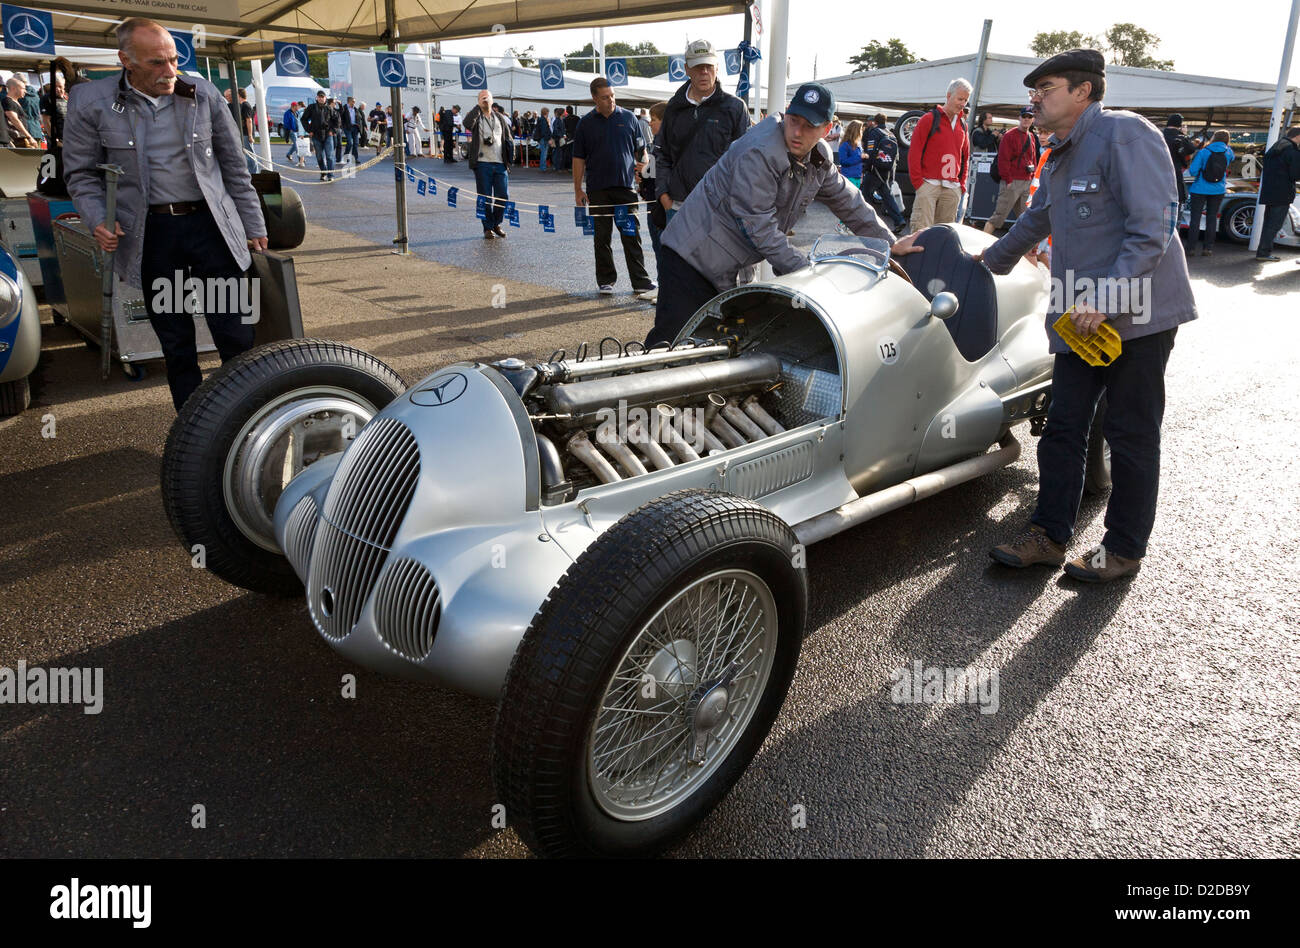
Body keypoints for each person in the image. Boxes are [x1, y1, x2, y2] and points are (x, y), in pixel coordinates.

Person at [978, 49, 1196, 582]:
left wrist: (1107, 297)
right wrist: (976, 263)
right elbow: (1035, 223)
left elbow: (1154, 228)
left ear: (1083, 91)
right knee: (1063, 427)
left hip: (1135, 315)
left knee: (1131, 435)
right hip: (1079, 318)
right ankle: (1049, 535)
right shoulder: (1058, 153)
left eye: (1045, 87)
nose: (1034, 98)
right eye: (1033, 90)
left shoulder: (1126, 134)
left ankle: (1122, 550)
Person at [64, 18, 267, 412]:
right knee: (176, 342)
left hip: (210, 229)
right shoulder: (91, 103)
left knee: (236, 334)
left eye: (173, 60)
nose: (169, 72)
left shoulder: (202, 94)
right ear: (126, 60)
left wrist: (253, 223)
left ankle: (246, 418)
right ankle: (195, 430)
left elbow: (234, 167)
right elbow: (80, 174)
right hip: (152, 234)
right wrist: (97, 219)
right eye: (157, 63)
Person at [648, 82, 921, 347]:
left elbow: (849, 201)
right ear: (786, 113)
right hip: (690, 254)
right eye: (794, 120)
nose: (797, 132)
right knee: (671, 343)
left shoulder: (819, 158)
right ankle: (630, 389)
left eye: (809, 126)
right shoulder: (758, 152)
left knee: (717, 344)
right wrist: (810, 276)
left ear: (827, 129)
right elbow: (760, 228)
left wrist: (890, 242)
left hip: (725, 261)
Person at [573, 77, 656, 296]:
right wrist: (578, 190)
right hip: (597, 189)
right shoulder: (585, 123)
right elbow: (578, 159)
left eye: (612, 96)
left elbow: (642, 152)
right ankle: (606, 281)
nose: (610, 100)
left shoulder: (629, 118)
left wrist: (644, 165)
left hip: (625, 187)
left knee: (631, 235)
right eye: (605, 97)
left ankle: (640, 281)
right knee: (601, 237)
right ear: (594, 98)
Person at [656, 39, 749, 221]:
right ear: (687, 69)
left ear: (717, 67)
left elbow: (745, 159)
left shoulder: (735, 107)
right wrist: (664, 196)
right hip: (678, 207)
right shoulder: (674, 107)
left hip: (720, 208)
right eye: (698, 67)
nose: (704, 72)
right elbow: (662, 154)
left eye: (708, 66)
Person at [906, 78, 971, 233]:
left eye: (966, 100)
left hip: (952, 187)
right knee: (920, 234)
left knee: (943, 236)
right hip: (928, 184)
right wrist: (919, 184)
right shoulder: (929, 119)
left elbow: (965, 157)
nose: (963, 103)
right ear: (949, 96)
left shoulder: (963, 125)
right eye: (960, 98)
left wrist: (961, 185)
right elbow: (914, 152)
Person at [463, 89, 512, 239]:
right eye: (481, 98)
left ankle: (496, 223)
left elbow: (508, 137)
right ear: (478, 101)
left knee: (502, 196)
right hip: (482, 163)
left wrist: (510, 158)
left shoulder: (500, 118)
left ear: (492, 100)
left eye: (487, 97)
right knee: (485, 197)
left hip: (499, 163)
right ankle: (487, 228)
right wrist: (478, 108)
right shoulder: (476, 117)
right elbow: (466, 123)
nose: (485, 99)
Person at [984, 108, 1039, 234]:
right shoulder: (1009, 135)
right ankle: (980, 247)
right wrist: (1008, 180)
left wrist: (1033, 178)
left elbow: (1033, 159)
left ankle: (1020, 251)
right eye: (1024, 116)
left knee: (1026, 219)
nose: (1026, 119)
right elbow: (1003, 160)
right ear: (1019, 118)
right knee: (998, 217)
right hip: (1012, 181)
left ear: (1032, 120)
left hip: (1027, 182)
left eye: (1029, 117)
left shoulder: (1031, 136)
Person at [1185, 130, 1234, 256]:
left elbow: (1193, 171)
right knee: (1212, 218)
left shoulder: (1203, 152)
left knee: (1195, 218)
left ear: (1214, 138)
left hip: (1199, 189)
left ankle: (1191, 248)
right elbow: (1230, 161)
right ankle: (1208, 248)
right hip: (1218, 189)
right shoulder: (1228, 152)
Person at [1255, 126, 1300, 261]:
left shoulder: (1274, 148)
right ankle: (1264, 253)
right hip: (1283, 192)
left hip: (1269, 191)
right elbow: (1295, 175)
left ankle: (1262, 251)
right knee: (1275, 224)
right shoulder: (1292, 152)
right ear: (1298, 136)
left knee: (1268, 223)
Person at [862, 113, 907, 232]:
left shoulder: (875, 132)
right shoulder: (891, 134)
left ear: (875, 122)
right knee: (886, 196)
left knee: (864, 194)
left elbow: (870, 152)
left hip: (875, 170)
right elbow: (896, 156)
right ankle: (899, 220)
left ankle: (867, 222)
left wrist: (866, 168)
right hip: (888, 171)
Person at [639, 101, 668, 267]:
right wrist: (642, 177)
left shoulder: (667, 143)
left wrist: (646, 171)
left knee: (662, 250)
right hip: (652, 202)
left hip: (659, 205)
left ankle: (665, 287)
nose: (650, 123)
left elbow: (664, 173)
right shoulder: (657, 141)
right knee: (658, 250)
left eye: (654, 119)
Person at [302, 89, 338, 181]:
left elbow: (337, 120)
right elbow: (304, 119)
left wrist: (332, 131)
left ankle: (331, 175)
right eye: (319, 97)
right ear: (317, 98)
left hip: (327, 135)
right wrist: (309, 130)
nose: (321, 98)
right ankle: (323, 172)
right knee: (319, 156)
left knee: (329, 156)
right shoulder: (311, 107)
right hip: (316, 135)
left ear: (325, 98)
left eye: (323, 97)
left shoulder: (330, 108)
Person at [1162, 113, 1196, 207]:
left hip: (1158, 171)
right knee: (1176, 200)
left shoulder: (1159, 135)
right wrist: (1184, 134)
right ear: (1179, 125)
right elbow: (1191, 149)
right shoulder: (1180, 137)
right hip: (1175, 172)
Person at [2, 78, 39, 147]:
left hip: (20, 139)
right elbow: (14, 120)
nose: (25, 91)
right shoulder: (8, 101)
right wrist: (29, 137)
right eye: (23, 88)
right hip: (14, 140)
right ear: (13, 88)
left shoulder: (16, 102)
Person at [39, 74, 67, 145]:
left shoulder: (67, 97)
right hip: (58, 139)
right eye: (55, 86)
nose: (57, 89)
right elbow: (46, 120)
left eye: (60, 86)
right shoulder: (47, 99)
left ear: (64, 86)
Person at [236, 88, 257, 175]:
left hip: (246, 134)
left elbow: (249, 120)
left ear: (239, 95)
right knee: (247, 155)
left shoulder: (245, 105)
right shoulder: (243, 105)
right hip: (244, 133)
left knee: (250, 155)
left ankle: (253, 173)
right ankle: (250, 172)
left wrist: (250, 135)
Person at [339, 96, 362, 164]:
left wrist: (359, 125)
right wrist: (342, 126)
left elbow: (359, 117)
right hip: (347, 127)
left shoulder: (355, 109)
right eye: (353, 101)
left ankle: (355, 158)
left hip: (355, 127)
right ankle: (345, 157)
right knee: (349, 143)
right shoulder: (344, 108)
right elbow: (340, 116)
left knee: (356, 143)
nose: (354, 103)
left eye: (354, 101)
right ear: (349, 101)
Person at [283, 100, 304, 166]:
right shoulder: (287, 113)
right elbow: (286, 123)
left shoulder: (297, 112)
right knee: (297, 144)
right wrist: (291, 129)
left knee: (295, 145)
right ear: (293, 106)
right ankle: (300, 160)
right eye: (296, 106)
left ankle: (289, 154)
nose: (298, 107)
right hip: (291, 131)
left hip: (298, 131)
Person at [532, 106, 552, 170]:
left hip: (542, 138)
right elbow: (544, 131)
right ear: (546, 112)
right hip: (544, 139)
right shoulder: (543, 120)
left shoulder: (540, 119)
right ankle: (543, 167)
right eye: (548, 112)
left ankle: (543, 166)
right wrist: (548, 139)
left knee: (543, 153)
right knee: (544, 153)